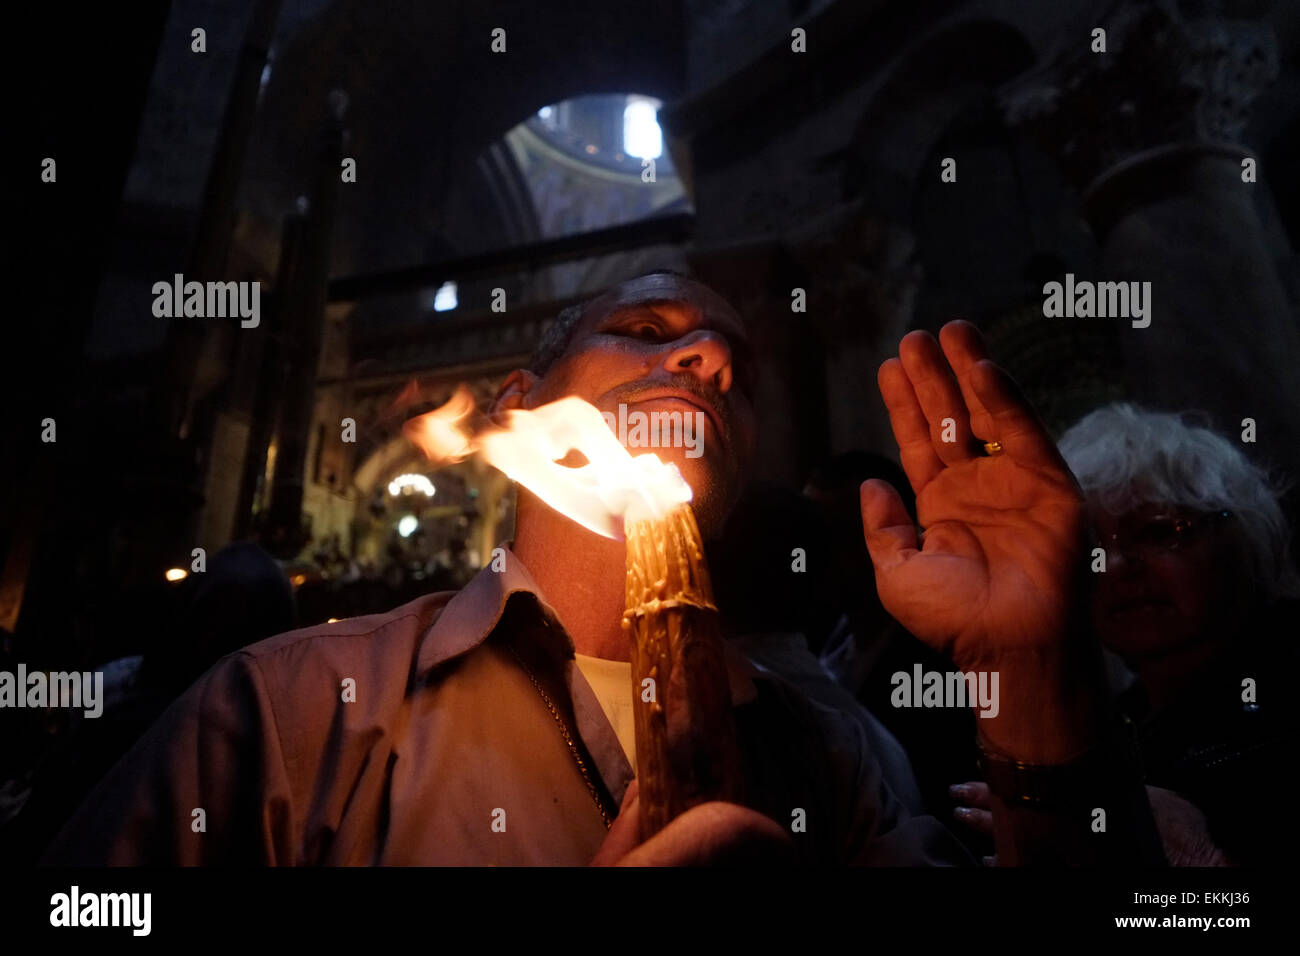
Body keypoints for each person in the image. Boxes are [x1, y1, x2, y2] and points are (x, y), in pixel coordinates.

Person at [43, 272, 1161, 865]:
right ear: (523, 404)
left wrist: (1040, 682)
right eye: (644, 324)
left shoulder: (831, 748)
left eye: (735, 365)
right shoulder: (291, 714)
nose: (709, 360)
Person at [950, 404, 1300, 865]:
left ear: (1247, 535)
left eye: (1157, 532)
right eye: (1089, 545)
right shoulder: (1114, 721)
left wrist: (1205, 860)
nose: (1115, 566)